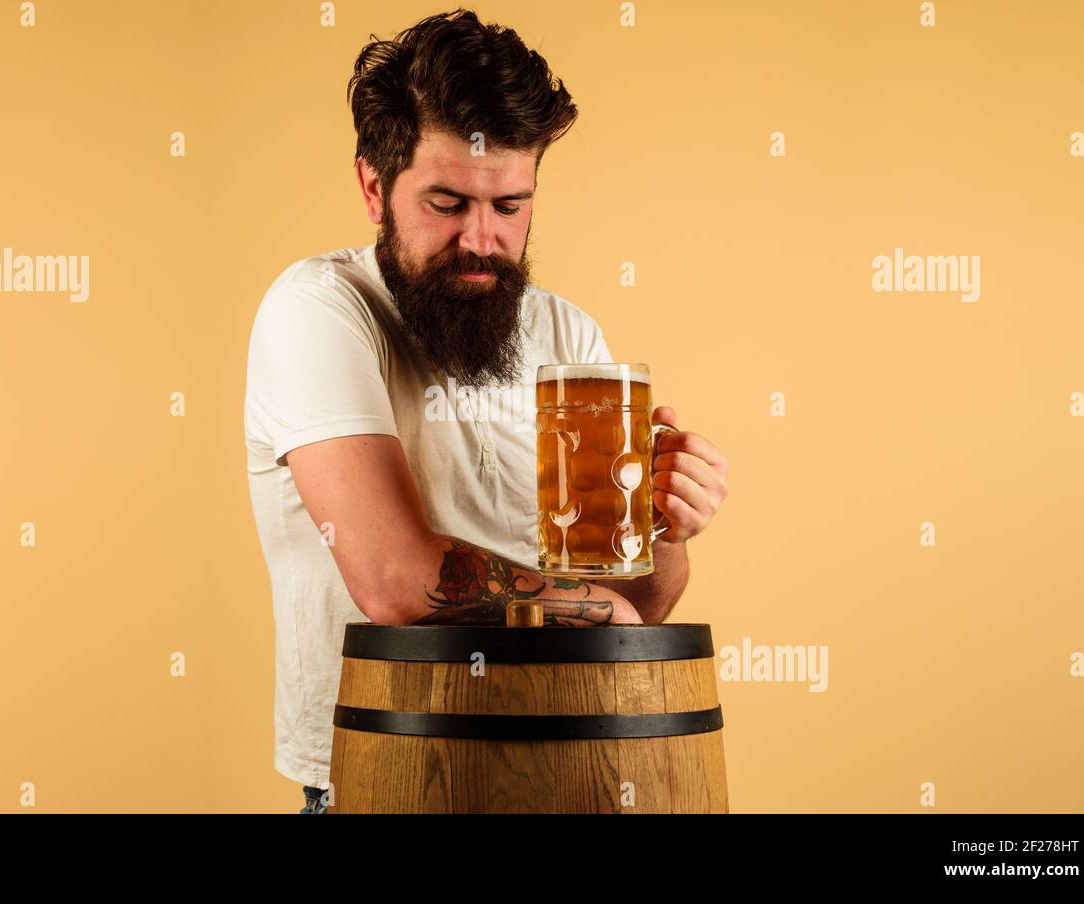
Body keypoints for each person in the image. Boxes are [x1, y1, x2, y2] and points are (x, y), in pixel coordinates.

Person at [244, 8, 730, 813]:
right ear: (373, 186)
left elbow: (635, 608)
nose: (481, 239)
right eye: (447, 203)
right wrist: (593, 606)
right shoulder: (318, 310)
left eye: (509, 207)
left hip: (577, 772)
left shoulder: (567, 334)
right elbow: (399, 581)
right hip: (392, 775)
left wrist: (666, 531)